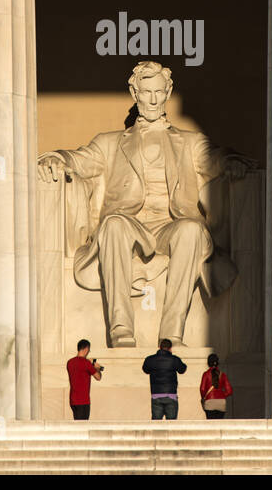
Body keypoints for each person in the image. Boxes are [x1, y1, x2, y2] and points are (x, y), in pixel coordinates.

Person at [37, 61, 253, 347]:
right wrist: (56, 158)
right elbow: (80, 159)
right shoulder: (109, 143)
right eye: (146, 91)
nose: (152, 99)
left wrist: (232, 162)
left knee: (191, 230)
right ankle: (121, 330)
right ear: (134, 92)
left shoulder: (189, 142)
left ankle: (172, 335)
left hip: (170, 226)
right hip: (129, 225)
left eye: (159, 92)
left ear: (168, 92)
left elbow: (215, 158)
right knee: (113, 225)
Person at [142, 338, 187, 419]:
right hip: (171, 395)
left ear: (159, 347)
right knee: (171, 425)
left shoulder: (150, 359)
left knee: (156, 425)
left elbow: (145, 369)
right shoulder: (174, 359)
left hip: (156, 394)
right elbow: (182, 369)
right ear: (170, 348)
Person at [66, 339, 103, 420]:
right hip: (83, 401)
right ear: (86, 349)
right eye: (89, 350)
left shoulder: (69, 362)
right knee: (83, 427)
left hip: (73, 401)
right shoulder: (87, 363)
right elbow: (98, 377)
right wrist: (97, 368)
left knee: (77, 423)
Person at [199, 352, 233, 419]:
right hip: (221, 403)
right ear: (217, 363)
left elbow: (202, 389)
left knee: (211, 425)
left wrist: (204, 398)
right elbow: (229, 391)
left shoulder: (206, 374)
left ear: (208, 363)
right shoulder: (223, 375)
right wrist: (222, 395)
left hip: (209, 402)